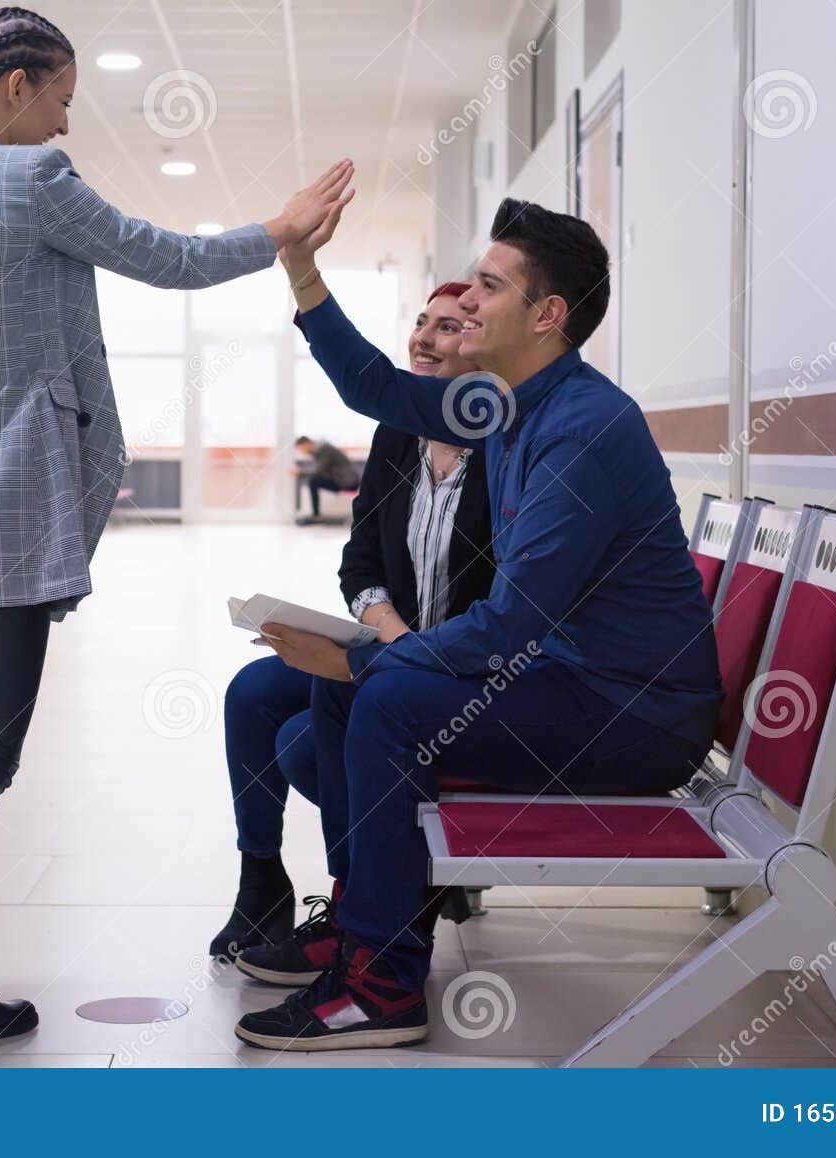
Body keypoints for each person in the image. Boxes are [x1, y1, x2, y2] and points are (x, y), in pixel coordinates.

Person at [0, 6, 355, 1068]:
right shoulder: (31, 181)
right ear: (16, 88)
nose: (66, 123)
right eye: (63, 99)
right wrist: (281, 232)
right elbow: (164, 257)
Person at [235, 196, 724, 1051]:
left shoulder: (582, 431)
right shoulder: (507, 407)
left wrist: (374, 658)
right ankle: (363, 931)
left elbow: (507, 626)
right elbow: (376, 387)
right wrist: (304, 272)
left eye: (490, 286)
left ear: (546, 314)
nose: (470, 297)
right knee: (355, 691)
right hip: (571, 681)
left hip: (635, 715)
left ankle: (385, 984)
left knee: (378, 695)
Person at [212, 284, 495, 963]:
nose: (424, 338)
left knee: (306, 738)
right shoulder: (399, 433)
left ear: (486, 344)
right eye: (420, 321)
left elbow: (514, 603)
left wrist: (402, 653)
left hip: (469, 668)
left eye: (448, 327)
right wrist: (386, 626)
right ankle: (263, 883)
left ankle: (361, 902)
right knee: (252, 692)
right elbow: (360, 558)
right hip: (402, 645)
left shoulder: (506, 448)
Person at [293, 435, 361, 523]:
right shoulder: (321, 449)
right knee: (314, 480)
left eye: (301, 449)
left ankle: (316, 516)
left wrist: (300, 473)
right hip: (344, 480)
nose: (302, 452)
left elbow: (320, 470)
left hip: (349, 482)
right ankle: (316, 515)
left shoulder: (324, 449)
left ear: (306, 444)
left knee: (313, 481)